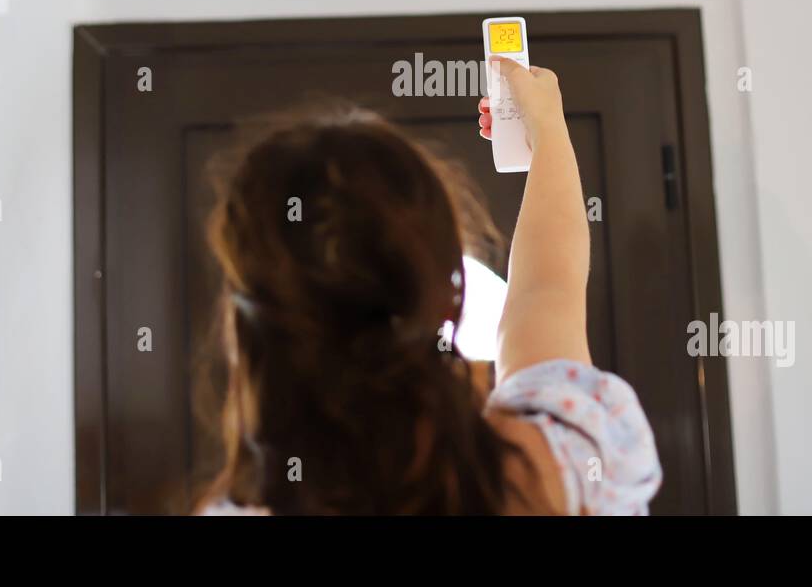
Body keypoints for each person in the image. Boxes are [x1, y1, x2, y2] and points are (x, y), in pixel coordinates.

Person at [197, 56, 662, 515]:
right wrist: (546, 129)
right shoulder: (561, 467)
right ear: (444, 289)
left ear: (251, 320)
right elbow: (547, 291)